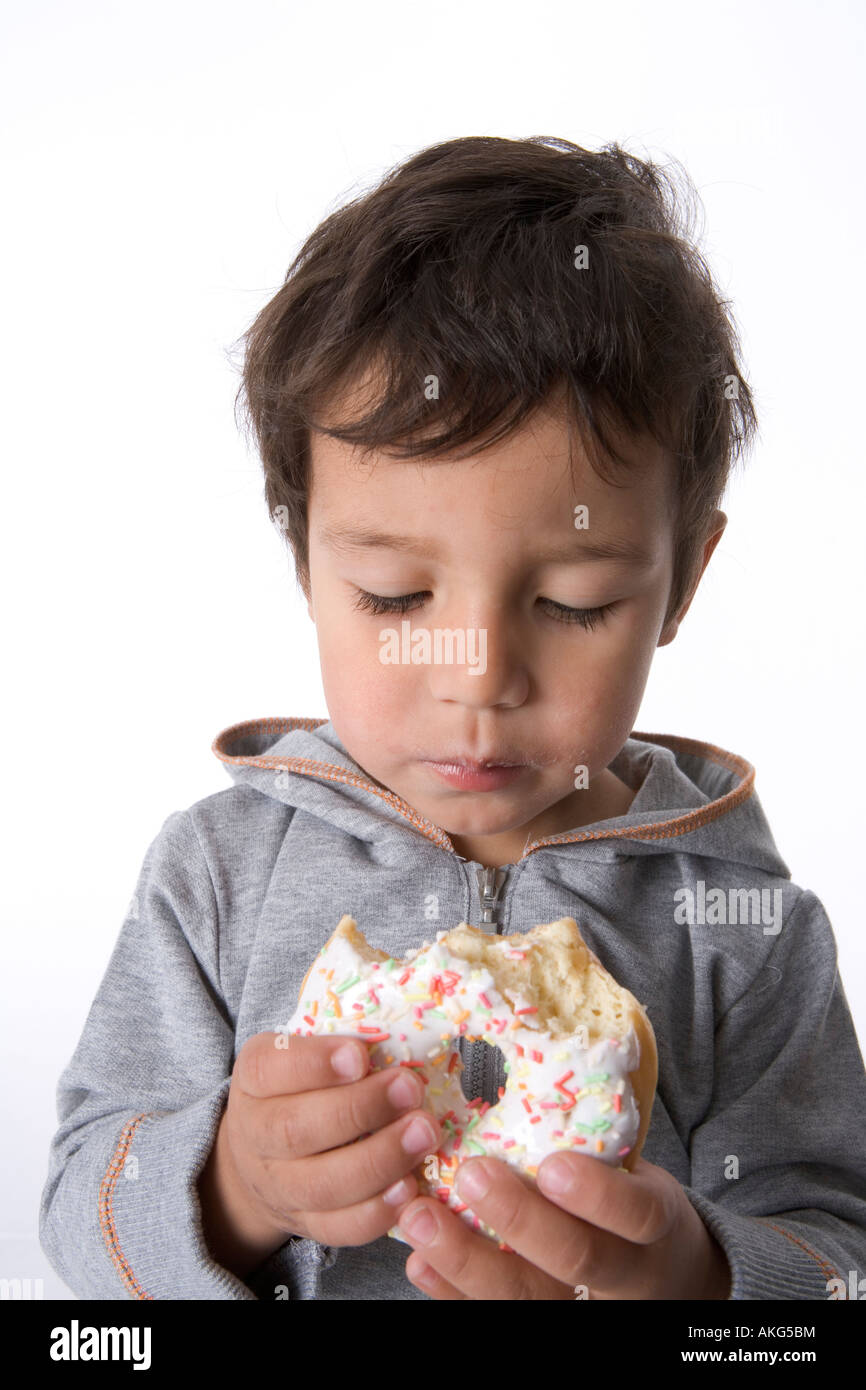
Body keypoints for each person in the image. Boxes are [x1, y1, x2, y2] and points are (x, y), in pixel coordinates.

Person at [39, 135, 866, 1300]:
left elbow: (840, 1267)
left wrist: (699, 1280)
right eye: (393, 596)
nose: (474, 675)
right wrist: (232, 1187)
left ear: (679, 580)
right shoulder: (214, 880)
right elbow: (81, 1215)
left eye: (570, 602)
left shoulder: (745, 934)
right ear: (306, 558)